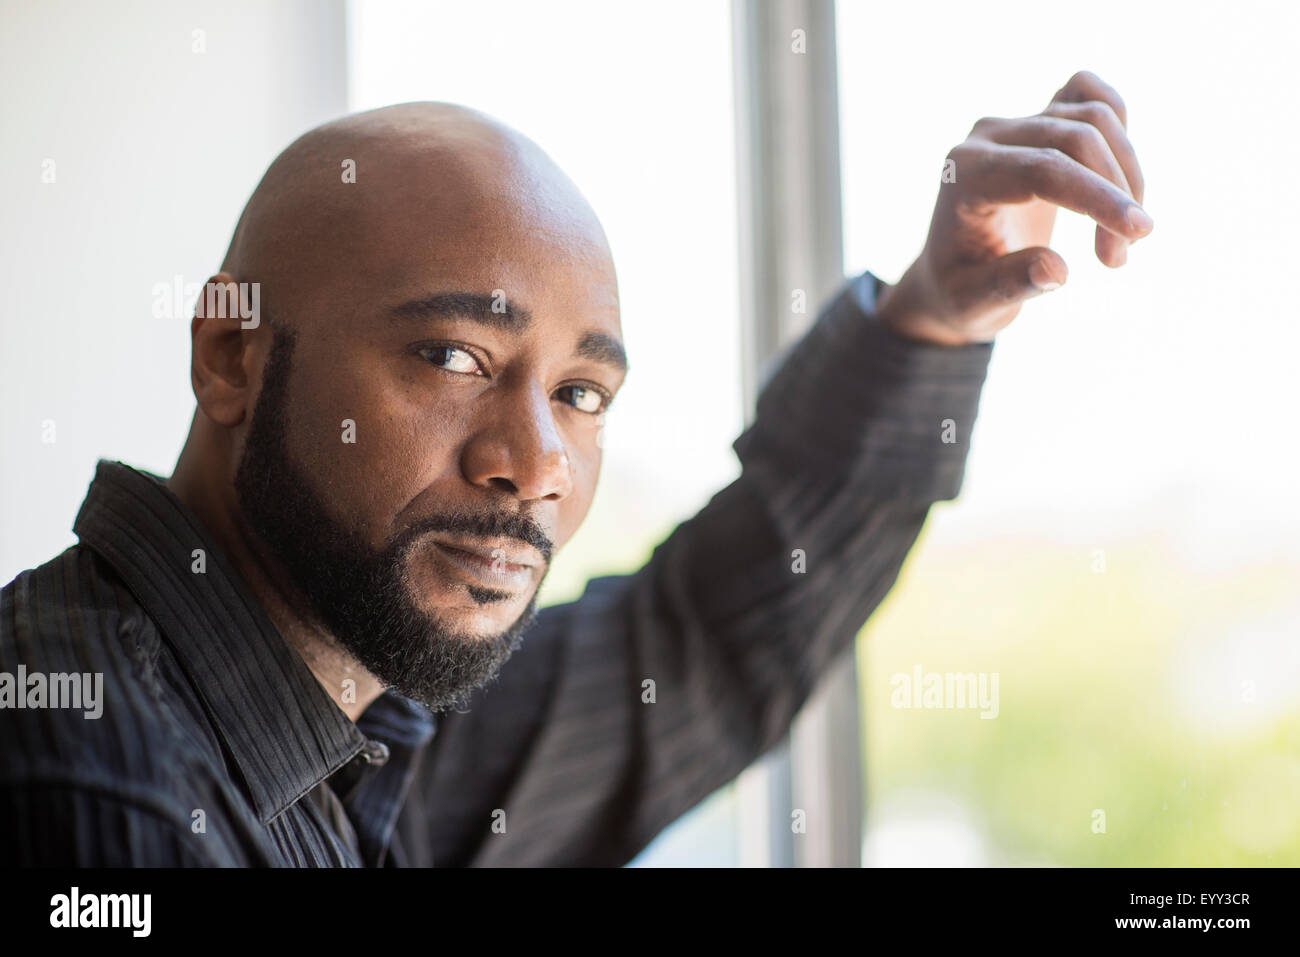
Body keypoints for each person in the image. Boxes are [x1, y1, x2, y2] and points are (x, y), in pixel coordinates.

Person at [0, 71, 1150, 866]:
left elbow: (692, 649)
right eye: (452, 356)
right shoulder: (100, 792)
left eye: (579, 394)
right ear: (231, 356)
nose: (534, 463)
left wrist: (931, 323)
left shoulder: (355, 720)